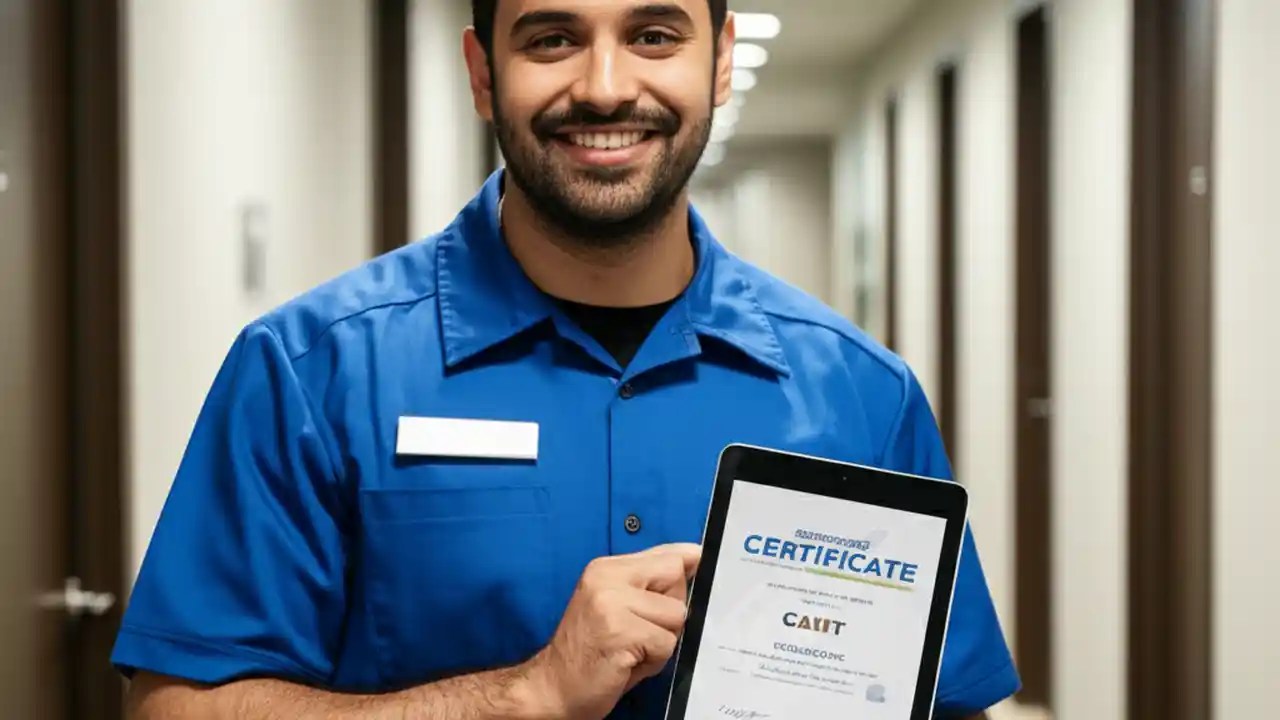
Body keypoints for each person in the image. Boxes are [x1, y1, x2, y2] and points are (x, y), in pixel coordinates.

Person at [115, 1, 1021, 718]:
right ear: (482, 73)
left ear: (717, 63)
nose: (603, 86)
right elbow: (182, 707)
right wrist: (524, 698)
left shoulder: (862, 395)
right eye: (552, 38)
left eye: (654, 34)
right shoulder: (310, 373)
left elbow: (943, 703)